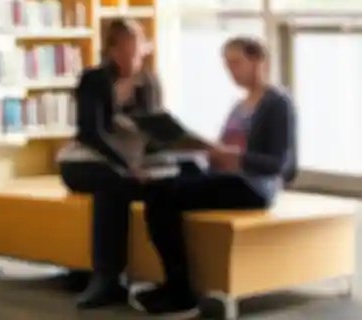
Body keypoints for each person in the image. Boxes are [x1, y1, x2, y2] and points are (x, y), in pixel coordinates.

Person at [130, 36, 296, 317]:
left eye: (236, 63)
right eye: (227, 65)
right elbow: (220, 152)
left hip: (252, 185)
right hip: (225, 176)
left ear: (258, 60)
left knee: (163, 196)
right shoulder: (238, 105)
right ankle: (171, 282)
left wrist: (237, 158)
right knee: (156, 184)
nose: (231, 71)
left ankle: (180, 290)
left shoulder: (278, 104)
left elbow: (281, 166)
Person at [56, 18, 162, 309]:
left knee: (133, 186)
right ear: (113, 50)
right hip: (84, 161)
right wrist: (127, 163)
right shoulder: (93, 79)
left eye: (139, 50)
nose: (136, 57)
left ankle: (110, 277)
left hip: (130, 164)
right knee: (114, 182)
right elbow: (92, 133)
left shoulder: (148, 82)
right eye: (130, 50)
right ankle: (106, 277)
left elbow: (153, 129)